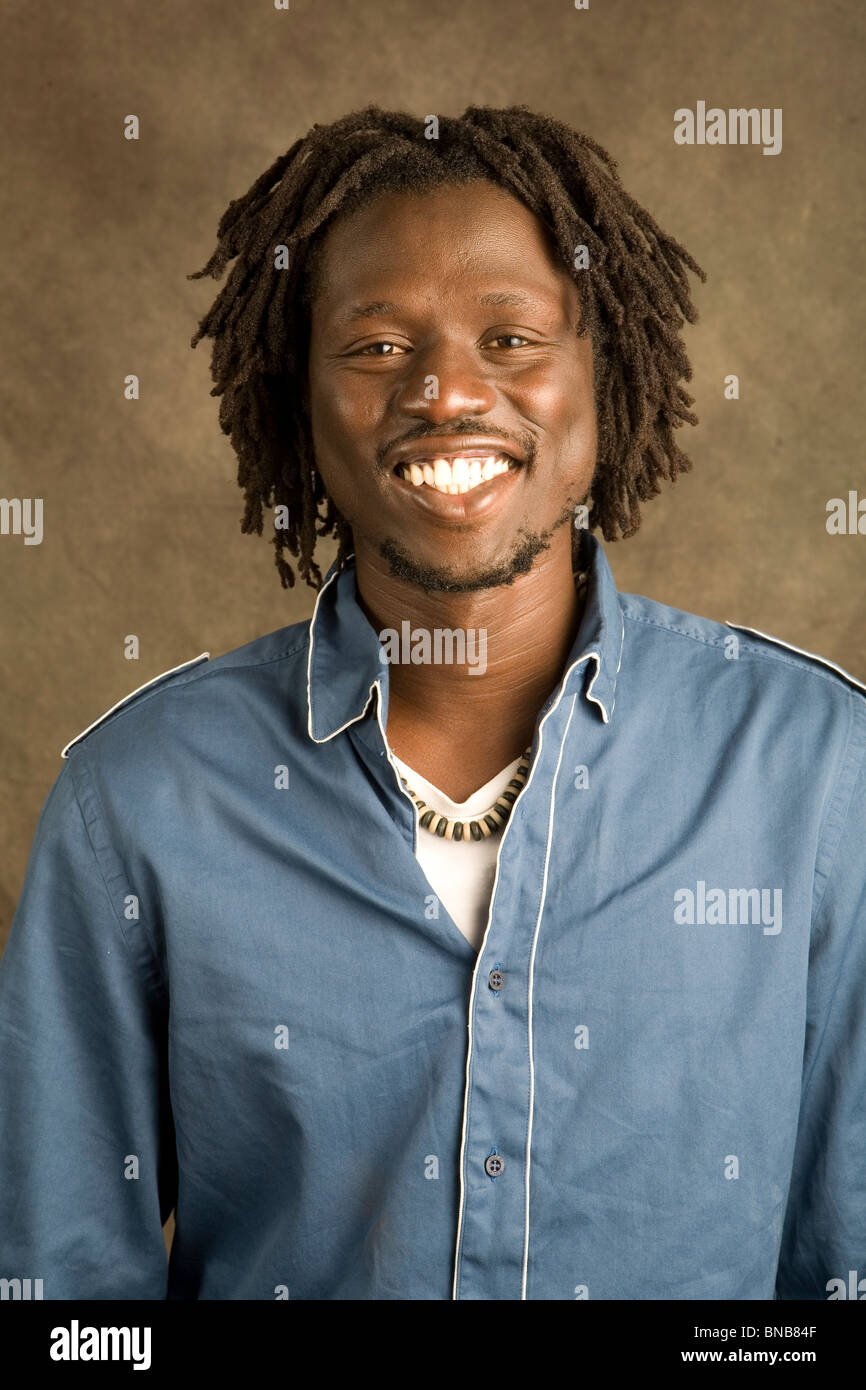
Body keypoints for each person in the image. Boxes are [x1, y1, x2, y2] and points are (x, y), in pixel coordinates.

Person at [1, 105, 863, 1301]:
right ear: (298, 399)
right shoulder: (142, 798)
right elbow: (64, 1300)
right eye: (374, 346)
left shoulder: (815, 773)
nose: (446, 391)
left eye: (510, 338)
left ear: (601, 374)